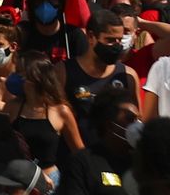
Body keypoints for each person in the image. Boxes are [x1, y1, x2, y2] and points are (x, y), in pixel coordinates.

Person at [58, 8, 140, 141]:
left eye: (119, 40)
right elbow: (58, 117)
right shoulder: (64, 71)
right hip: (74, 155)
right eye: (110, 40)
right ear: (91, 37)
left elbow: (136, 121)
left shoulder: (128, 75)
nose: (116, 46)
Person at [3, 51, 86, 180]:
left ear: (34, 76)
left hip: (49, 181)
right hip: (18, 180)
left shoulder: (60, 111)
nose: (14, 76)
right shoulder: (12, 107)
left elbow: (79, 152)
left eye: (19, 72)